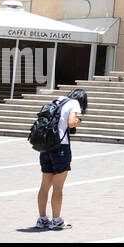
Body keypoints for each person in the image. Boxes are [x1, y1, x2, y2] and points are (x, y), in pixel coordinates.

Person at [35, 89, 87, 230]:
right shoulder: (74, 103)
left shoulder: (59, 100)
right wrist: (78, 122)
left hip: (46, 146)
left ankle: (42, 219)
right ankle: (57, 220)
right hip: (60, 147)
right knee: (58, 187)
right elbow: (71, 122)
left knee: (44, 185)